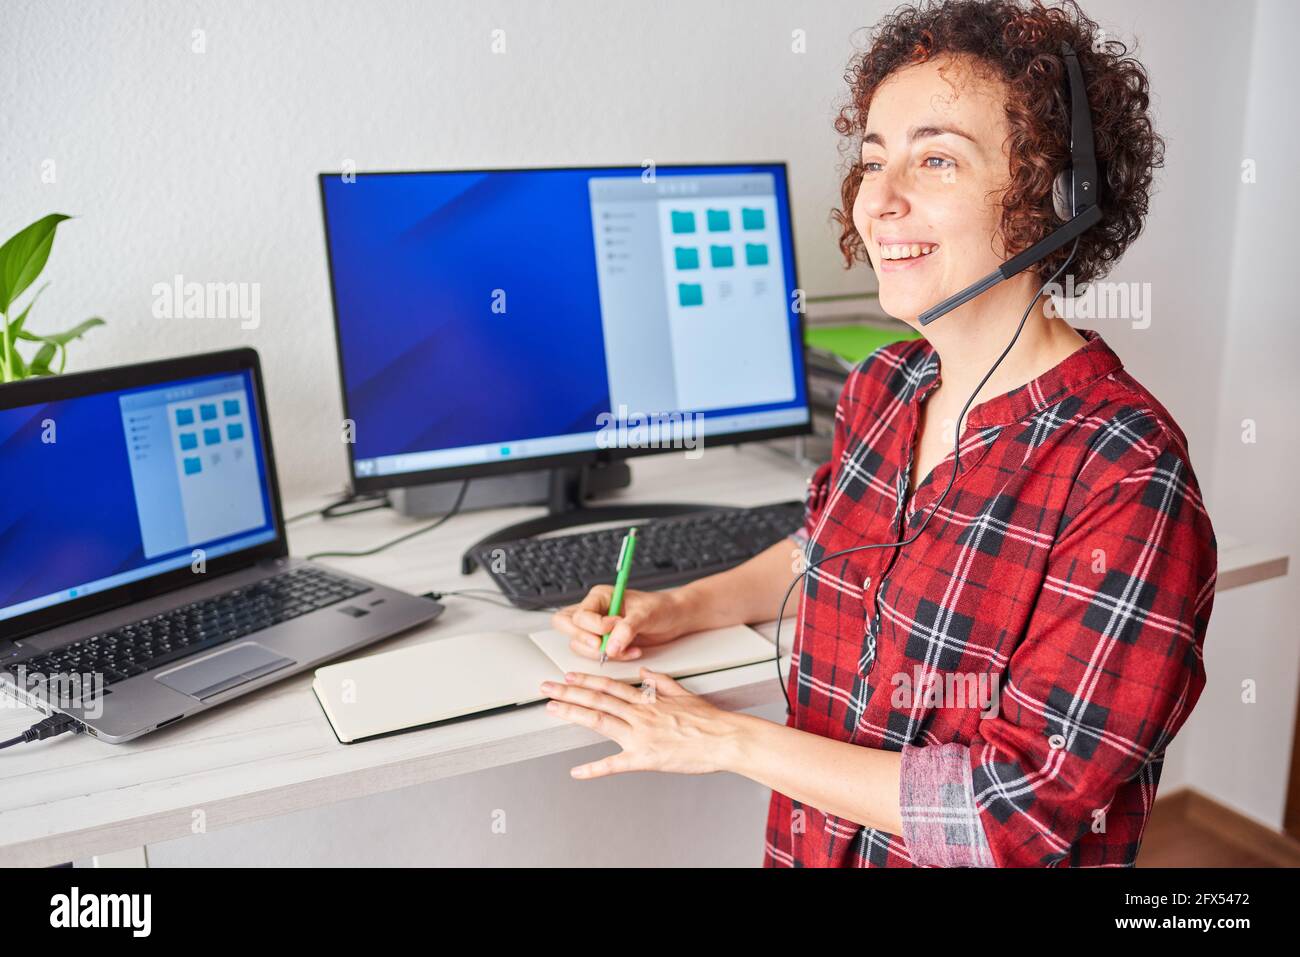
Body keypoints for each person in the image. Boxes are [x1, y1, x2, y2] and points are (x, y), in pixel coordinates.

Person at [540, 0, 1217, 867]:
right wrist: (677, 607)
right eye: (872, 162)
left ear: (1057, 197)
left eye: (935, 159)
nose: (879, 201)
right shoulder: (885, 388)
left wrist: (720, 738)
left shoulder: (1127, 477)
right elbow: (825, 548)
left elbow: (1006, 811)